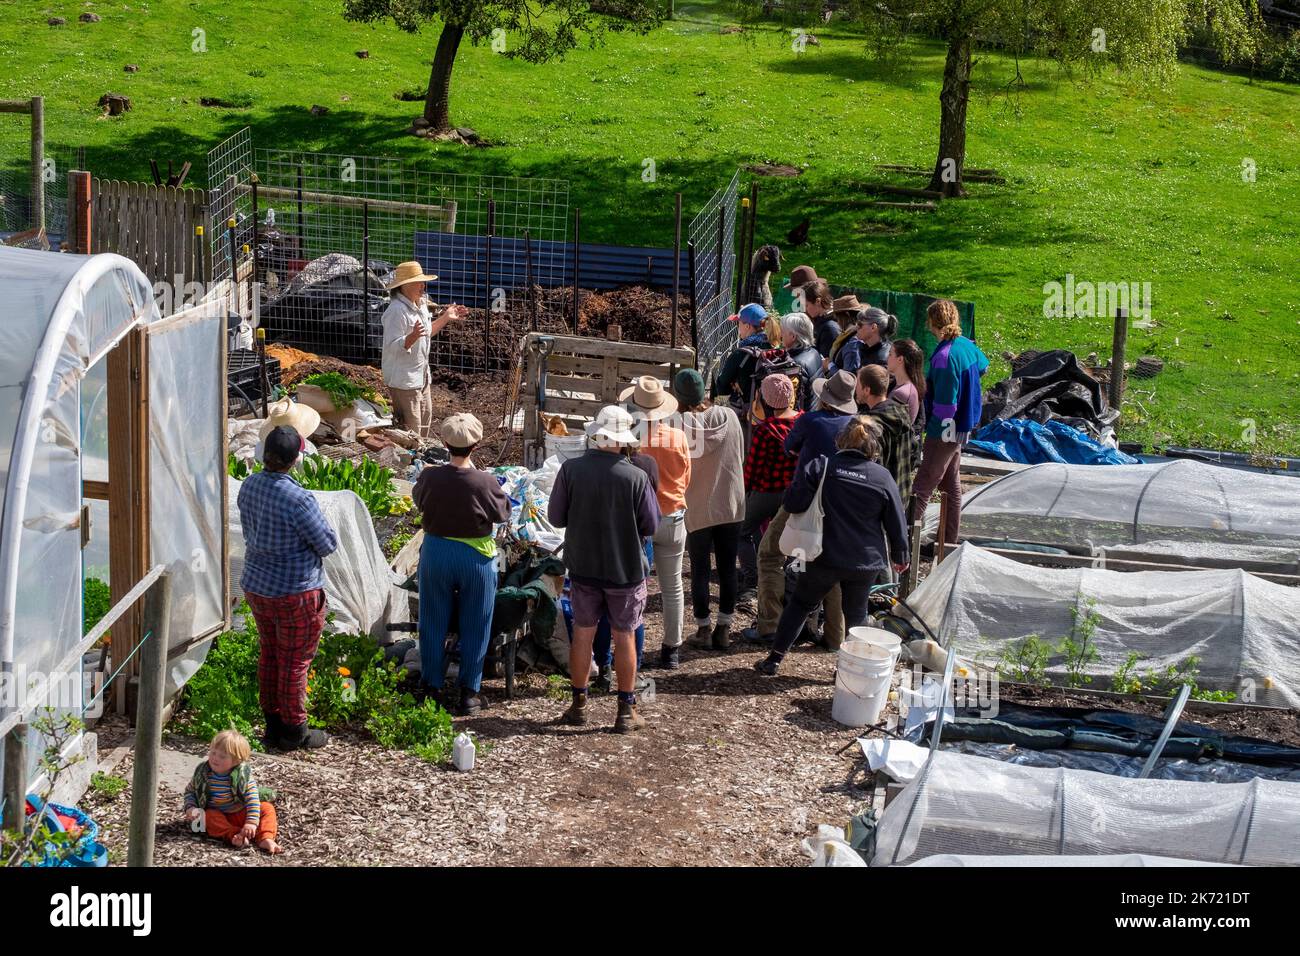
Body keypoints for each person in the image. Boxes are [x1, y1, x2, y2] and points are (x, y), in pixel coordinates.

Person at [754, 418, 909, 676]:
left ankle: (774, 659)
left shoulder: (821, 466)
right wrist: (900, 555)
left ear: (841, 440)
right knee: (856, 614)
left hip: (823, 555)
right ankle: (849, 671)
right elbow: (896, 520)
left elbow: (793, 503)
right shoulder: (882, 477)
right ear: (873, 447)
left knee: (801, 604)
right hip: (864, 561)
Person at [549, 406, 660, 733]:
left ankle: (578, 705)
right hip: (625, 571)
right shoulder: (637, 477)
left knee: (582, 633)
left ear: (597, 435)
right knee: (624, 636)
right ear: (625, 439)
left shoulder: (571, 470)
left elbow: (556, 518)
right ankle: (626, 711)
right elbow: (651, 525)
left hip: (583, 569)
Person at [238, 424, 339, 751]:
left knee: (270, 654)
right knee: (295, 661)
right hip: (295, 592)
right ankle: (295, 731)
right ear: (295, 459)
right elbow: (326, 544)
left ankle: (272, 724)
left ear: (266, 454)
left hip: (258, 586)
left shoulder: (249, 485)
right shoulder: (298, 498)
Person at [743, 370, 857, 646]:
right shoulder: (855, 424)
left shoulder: (811, 420)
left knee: (770, 553)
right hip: (840, 501)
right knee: (830, 565)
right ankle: (834, 636)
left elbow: (788, 447)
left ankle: (770, 624)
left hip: (804, 496)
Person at [411, 413, 511, 716]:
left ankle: (432, 686)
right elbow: (502, 514)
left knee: (432, 619)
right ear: (476, 445)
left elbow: (419, 500)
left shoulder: (429, 476)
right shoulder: (485, 481)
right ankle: (470, 691)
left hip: (436, 552)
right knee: (477, 622)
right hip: (477, 559)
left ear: (444, 443)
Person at [621, 376, 691, 669]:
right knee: (672, 585)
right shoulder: (678, 438)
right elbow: (687, 477)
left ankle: (629, 645)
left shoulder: (631, 442)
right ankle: (671, 649)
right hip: (673, 516)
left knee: (636, 586)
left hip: (642, 520)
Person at [676, 369, 746, 650]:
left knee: (700, 570)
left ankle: (703, 629)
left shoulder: (680, 426)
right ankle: (724, 628)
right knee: (728, 568)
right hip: (731, 503)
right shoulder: (729, 416)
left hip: (698, 507)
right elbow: (740, 453)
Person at [912, 300, 989, 549]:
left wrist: (935, 436)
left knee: (922, 487)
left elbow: (946, 407)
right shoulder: (967, 345)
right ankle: (947, 543)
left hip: (945, 430)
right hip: (963, 427)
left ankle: (903, 546)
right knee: (950, 486)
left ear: (931, 323)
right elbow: (984, 367)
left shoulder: (944, 357)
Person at [592, 444, 658, 693]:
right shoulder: (647, 464)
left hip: (601, 544)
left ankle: (605, 668)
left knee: (600, 611)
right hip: (637, 545)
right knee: (632, 613)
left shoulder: (594, 468)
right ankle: (633, 672)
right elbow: (650, 519)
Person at [380, 260, 467, 439]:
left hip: (421, 377)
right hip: (404, 382)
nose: (423, 285)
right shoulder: (396, 311)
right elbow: (391, 347)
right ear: (405, 285)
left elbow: (426, 333)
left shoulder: (419, 305)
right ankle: (410, 464)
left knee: (424, 425)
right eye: (418, 282)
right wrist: (410, 338)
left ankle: (421, 461)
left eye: (423, 281)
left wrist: (446, 317)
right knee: (410, 432)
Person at [738, 373, 802, 606]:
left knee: (742, 531)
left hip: (767, 491)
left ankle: (752, 580)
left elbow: (752, 467)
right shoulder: (803, 421)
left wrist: (745, 489)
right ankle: (789, 578)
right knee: (790, 538)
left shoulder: (765, 431)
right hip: (794, 492)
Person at [184, 729, 281, 853]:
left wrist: (251, 822)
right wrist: (190, 808)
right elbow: (190, 791)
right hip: (217, 815)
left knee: (267, 808)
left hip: (239, 812)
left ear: (237, 760)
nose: (215, 758)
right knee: (207, 816)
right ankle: (234, 835)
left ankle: (265, 838)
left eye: (222, 756)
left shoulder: (242, 777)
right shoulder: (202, 773)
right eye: (213, 752)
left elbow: (252, 799)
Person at [856, 364, 920, 505]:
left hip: (881, 502)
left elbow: (870, 470)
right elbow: (915, 454)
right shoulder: (902, 412)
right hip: (901, 497)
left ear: (867, 390)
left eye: (858, 385)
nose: (856, 389)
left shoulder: (869, 425)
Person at [779, 312, 822, 411]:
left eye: (783, 332)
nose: (781, 335)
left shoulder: (794, 365)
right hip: (814, 410)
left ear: (793, 336)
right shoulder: (814, 352)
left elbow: (789, 403)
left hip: (803, 419)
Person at [887, 338, 926, 429]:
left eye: (890, 354)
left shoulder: (901, 393)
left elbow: (888, 427)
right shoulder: (903, 385)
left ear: (900, 359)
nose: (887, 357)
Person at [800, 278, 840, 358]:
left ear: (818, 301)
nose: (804, 309)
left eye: (806, 305)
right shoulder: (821, 319)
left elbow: (825, 361)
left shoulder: (830, 327)